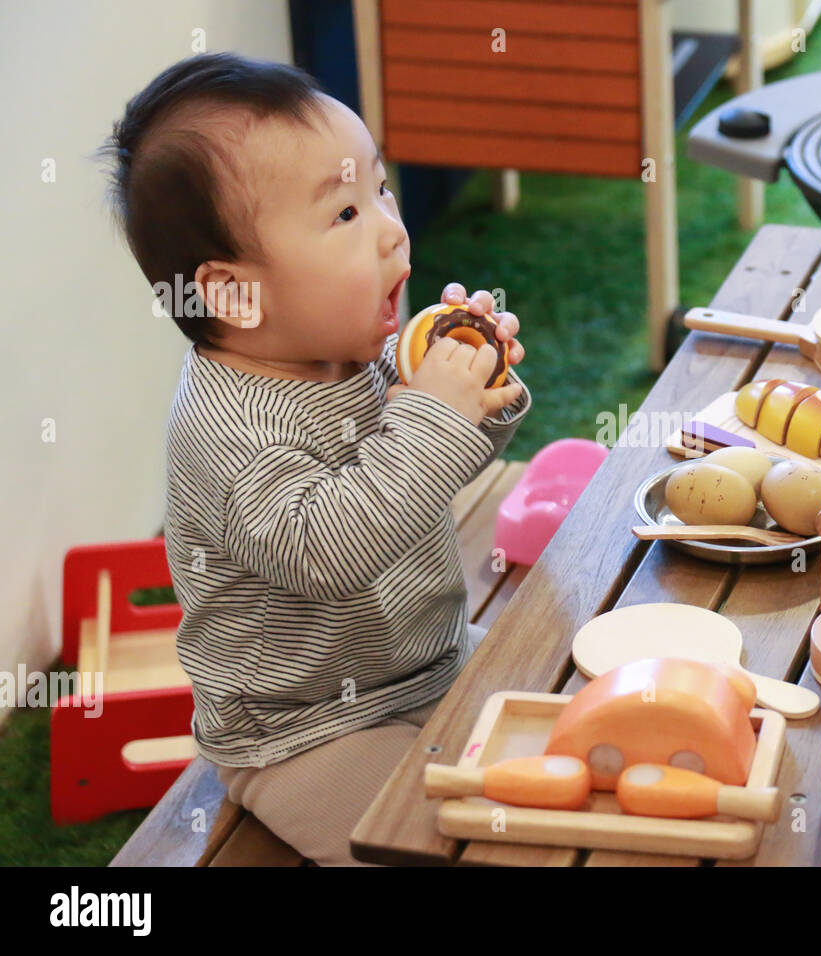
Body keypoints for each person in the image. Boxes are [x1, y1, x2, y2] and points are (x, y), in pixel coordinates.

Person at [100, 52, 531, 865]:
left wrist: (481, 396)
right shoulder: (228, 431)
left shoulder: (342, 348)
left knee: (558, 750)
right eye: (346, 213)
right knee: (431, 844)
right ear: (233, 294)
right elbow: (330, 550)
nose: (392, 228)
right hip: (304, 730)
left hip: (432, 658)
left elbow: (419, 475)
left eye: (381, 188)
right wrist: (435, 414)